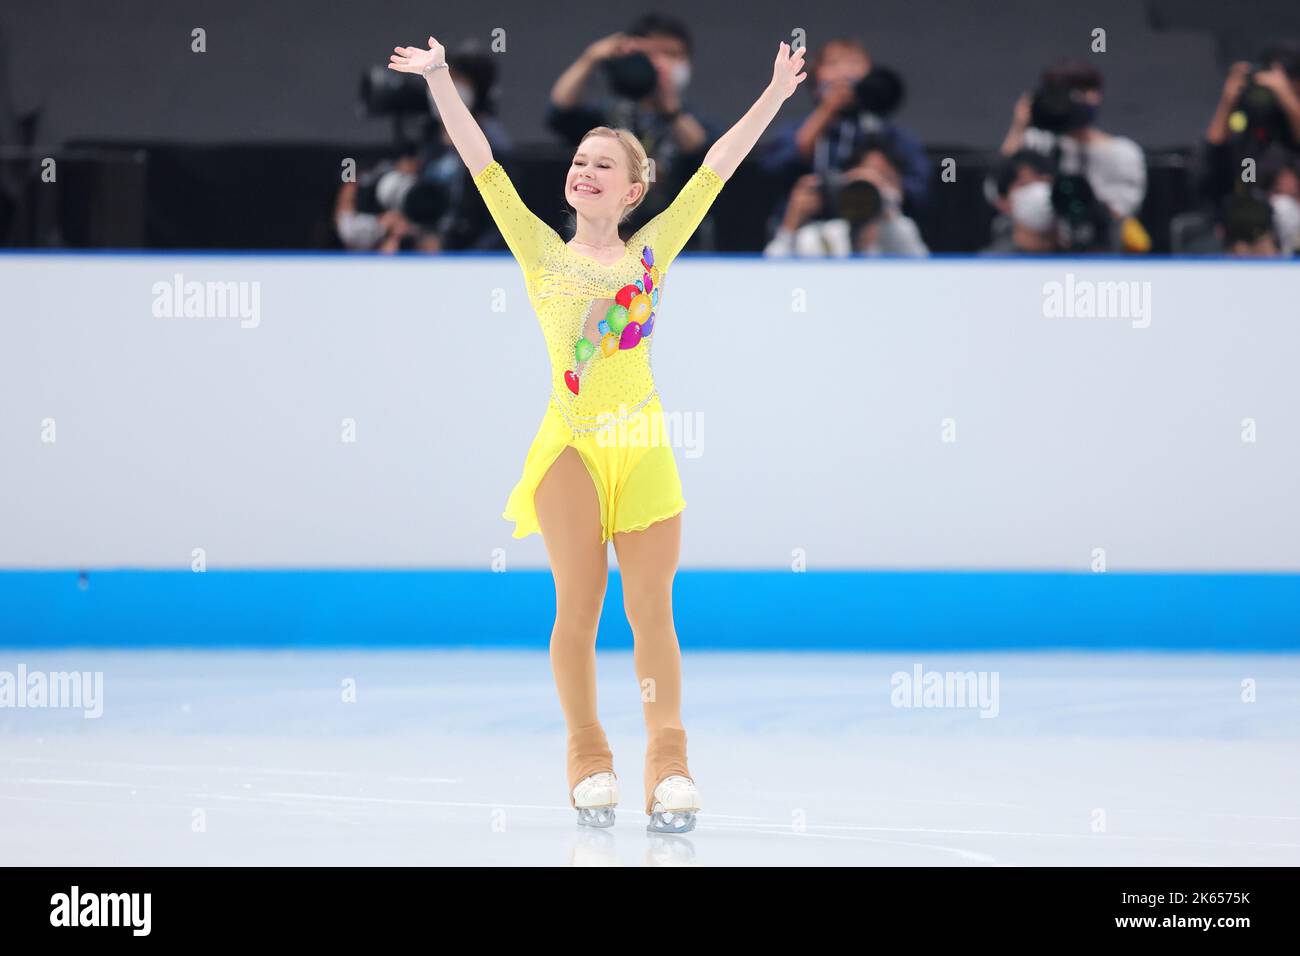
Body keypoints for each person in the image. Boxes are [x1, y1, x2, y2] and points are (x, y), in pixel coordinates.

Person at [387, 35, 807, 832]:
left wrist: (776, 96)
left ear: (635, 189)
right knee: (578, 609)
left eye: (603, 164)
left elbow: (717, 167)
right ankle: (588, 759)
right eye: (579, 160)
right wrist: (440, 79)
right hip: (571, 448)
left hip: (642, 449)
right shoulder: (542, 253)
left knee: (652, 612)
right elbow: (482, 164)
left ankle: (669, 765)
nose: (583, 170)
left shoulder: (653, 250)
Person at [545, 15, 721, 247]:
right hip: (602, 241)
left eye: (672, 55)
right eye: (653, 53)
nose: (662, 63)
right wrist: (591, 57)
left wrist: (670, 109)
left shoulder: (689, 118)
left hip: (674, 242)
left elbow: (703, 152)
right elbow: (560, 112)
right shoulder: (609, 115)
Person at [999, 59, 1147, 247]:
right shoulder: (1037, 143)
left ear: (1096, 96)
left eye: (1080, 93)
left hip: (1102, 246)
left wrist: (1083, 202)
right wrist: (1020, 125)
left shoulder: (1123, 152)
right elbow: (999, 186)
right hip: (1039, 246)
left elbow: (1122, 210)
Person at [764, 135, 928, 256]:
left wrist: (889, 208)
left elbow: (923, 272)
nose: (872, 184)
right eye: (865, 176)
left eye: (884, 178)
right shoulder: (821, 237)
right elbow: (771, 272)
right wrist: (791, 223)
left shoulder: (902, 231)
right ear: (847, 178)